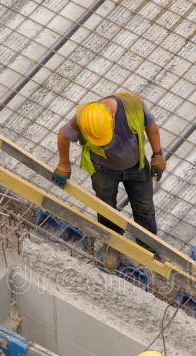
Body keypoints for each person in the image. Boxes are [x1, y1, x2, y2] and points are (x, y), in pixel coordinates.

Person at [52, 91, 165, 264]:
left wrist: (158, 155)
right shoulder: (85, 118)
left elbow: (151, 126)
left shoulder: (132, 105)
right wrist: (64, 164)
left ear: (112, 118)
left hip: (136, 166)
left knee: (144, 208)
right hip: (103, 170)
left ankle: (148, 249)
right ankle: (113, 244)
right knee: (106, 210)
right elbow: (63, 135)